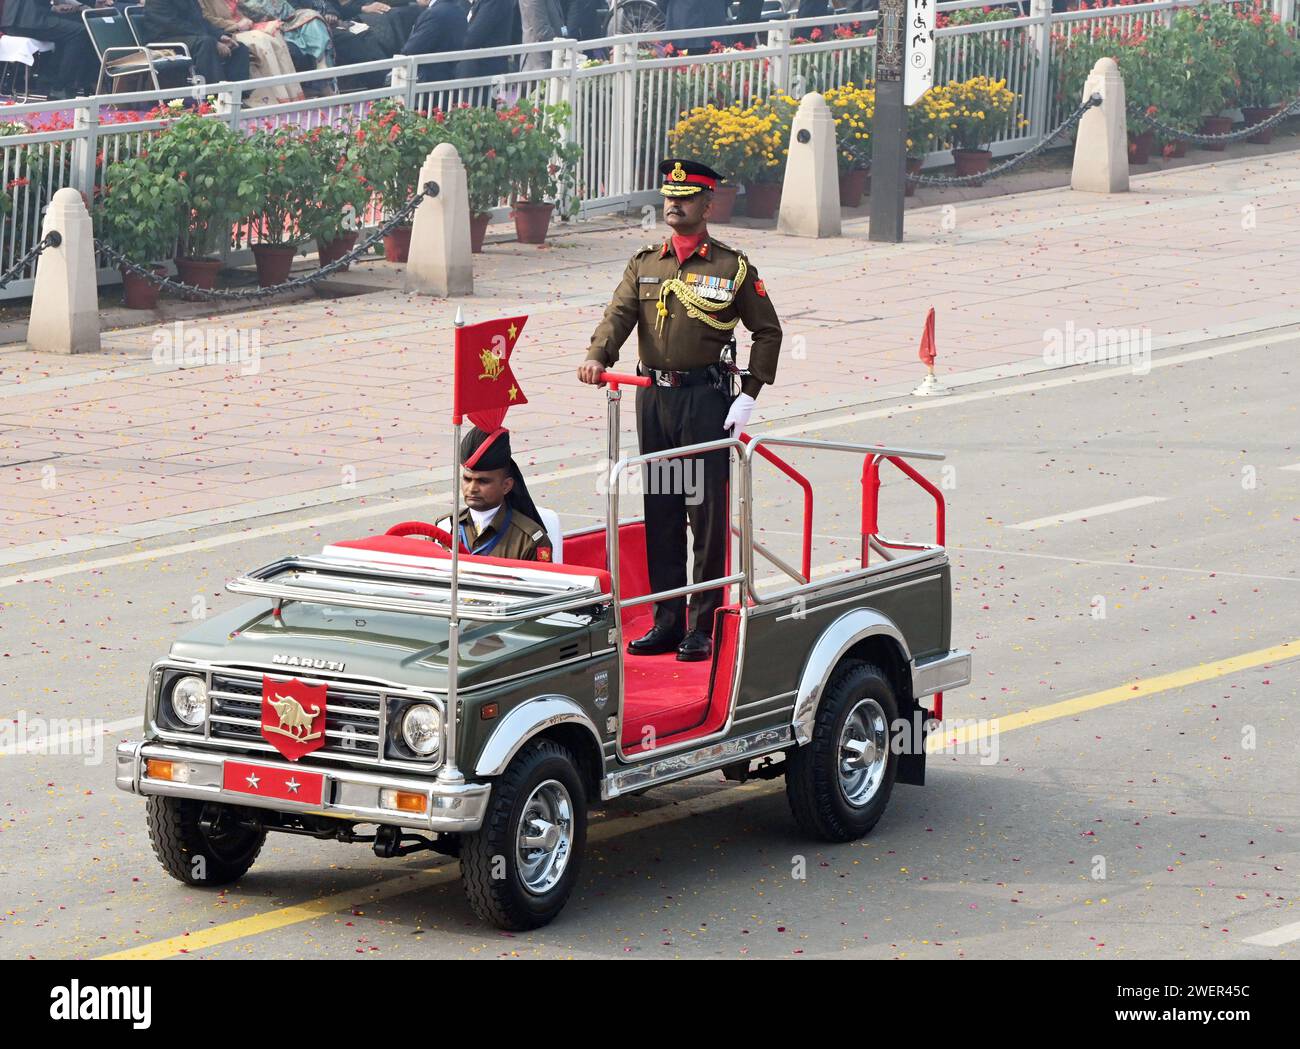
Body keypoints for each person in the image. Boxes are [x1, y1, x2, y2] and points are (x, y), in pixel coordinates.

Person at [577, 158, 782, 662]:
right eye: (670, 196)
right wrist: (597, 355)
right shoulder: (646, 262)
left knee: (706, 516)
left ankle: (704, 626)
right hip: (655, 399)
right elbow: (619, 313)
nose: (675, 203)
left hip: (704, 399)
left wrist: (750, 392)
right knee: (662, 510)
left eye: (687, 197)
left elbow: (767, 331)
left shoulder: (730, 267)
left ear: (708, 204)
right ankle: (667, 620)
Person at [438, 426, 554, 562]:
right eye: (467, 479)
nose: (472, 488)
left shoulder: (529, 539)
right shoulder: (446, 527)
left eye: (483, 481)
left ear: (506, 486)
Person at [197, 0, 304, 102]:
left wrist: (245, 20)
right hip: (227, 32)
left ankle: (293, 94)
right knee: (262, 41)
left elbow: (237, 11)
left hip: (242, 28)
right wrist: (235, 25)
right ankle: (279, 96)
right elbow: (206, 19)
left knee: (275, 35)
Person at [2, 0, 103, 97]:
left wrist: (53, 7)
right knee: (79, 32)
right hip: (29, 20)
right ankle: (60, 87)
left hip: (12, 20)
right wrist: (88, 4)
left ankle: (47, 79)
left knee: (69, 29)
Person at [141, 0, 252, 84]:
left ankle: (237, 97)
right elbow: (174, 25)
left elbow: (201, 21)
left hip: (190, 36)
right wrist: (214, 41)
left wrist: (220, 36)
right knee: (206, 43)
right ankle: (215, 97)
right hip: (164, 40)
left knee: (237, 46)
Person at [400, 0, 467, 82]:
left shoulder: (434, 13)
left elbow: (412, 49)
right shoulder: (459, 10)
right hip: (450, 76)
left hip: (428, 80)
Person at [455, 0, 511, 78]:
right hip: (473, 67)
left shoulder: (494, 2)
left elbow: (472, 39)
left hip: (483, 71)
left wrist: (451, 42)